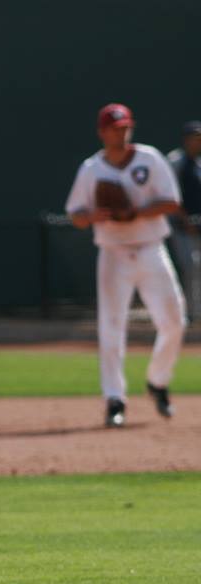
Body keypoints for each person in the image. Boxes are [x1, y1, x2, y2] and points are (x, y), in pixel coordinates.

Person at [65, 104, 187, 427]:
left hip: (151, 248)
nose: (121, 133)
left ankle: (158, 381)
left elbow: (172, 202)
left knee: (175, 322)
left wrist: (136, 212)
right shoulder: (91, 169)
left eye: (125, 127)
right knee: (111, 326)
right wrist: (93, 216)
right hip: (113, 253)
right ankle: (114, 399)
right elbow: (75, 214)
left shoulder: (150, 158)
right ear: (102, 132)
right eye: (115, 128)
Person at [166, 120, 201, 320]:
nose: (197, 142)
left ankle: (195, 311)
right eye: (194, 138)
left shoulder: (198, 163)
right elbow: (170, 195)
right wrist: (185, 220)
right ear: (185, 139)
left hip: (198, 224)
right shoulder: (175, 161)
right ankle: (187, 312)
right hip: (180, 225)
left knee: (197, 268)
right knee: (188, 266)